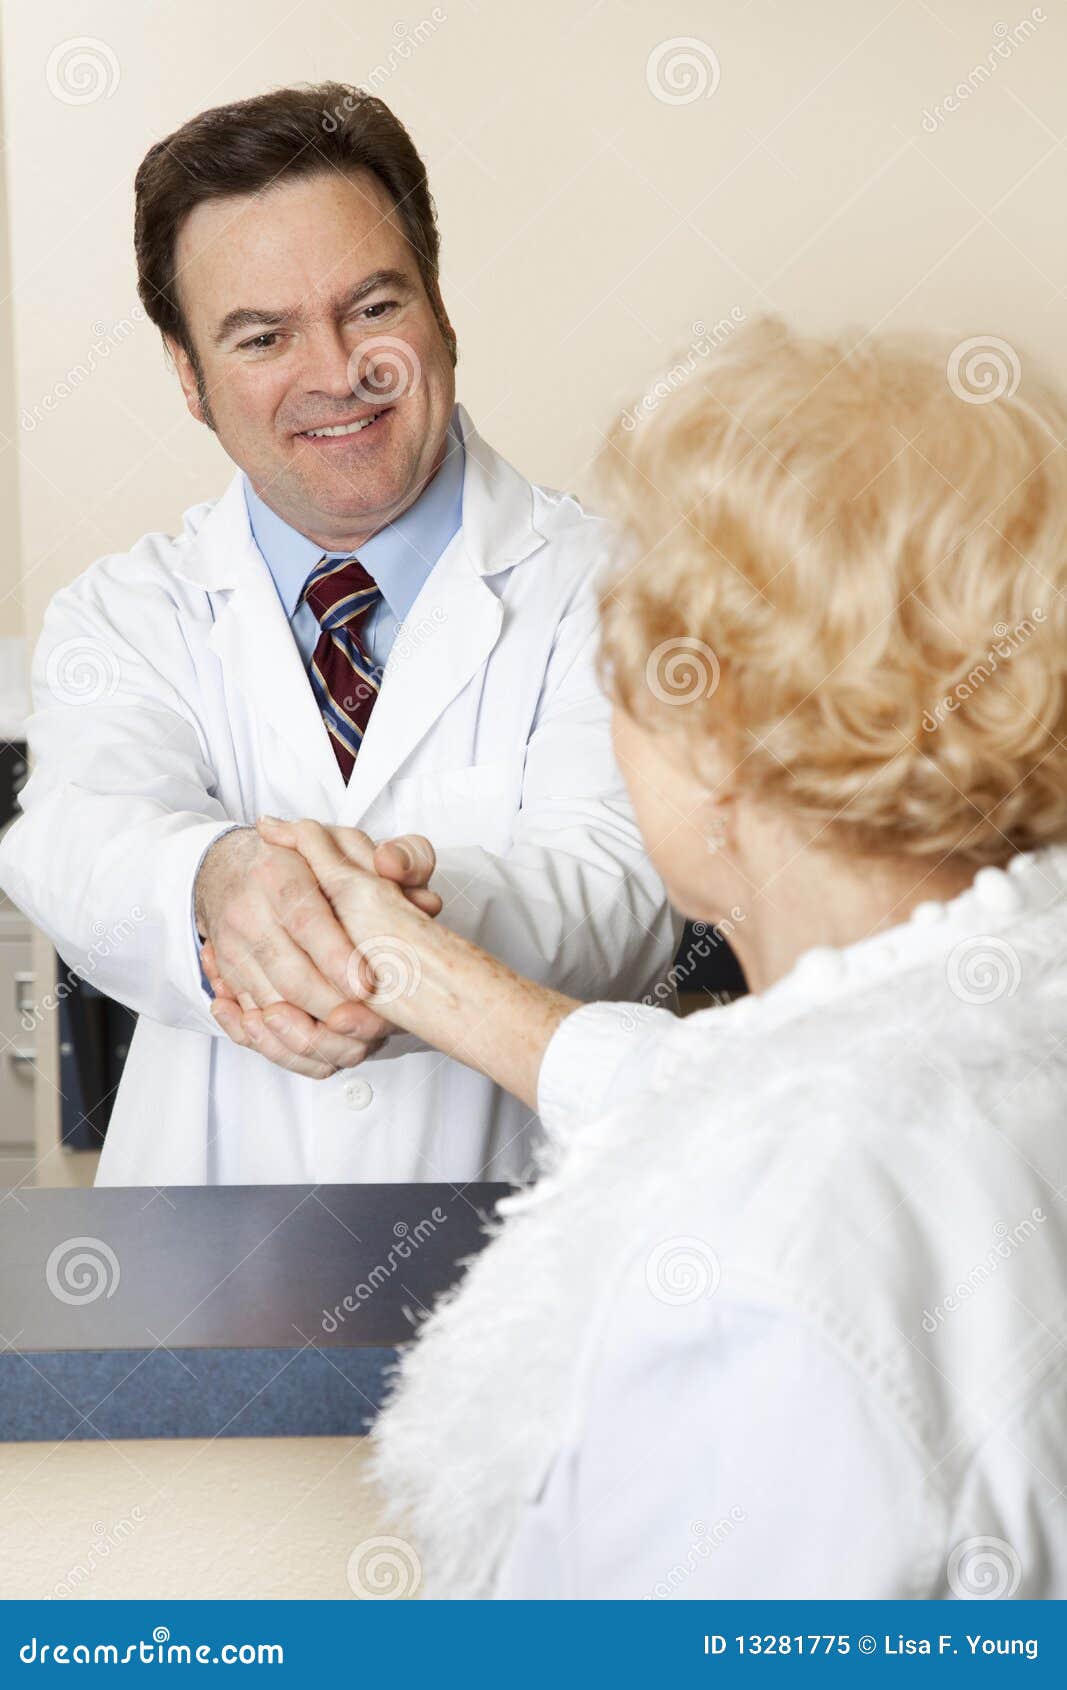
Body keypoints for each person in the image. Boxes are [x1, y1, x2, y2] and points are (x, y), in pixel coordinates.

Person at [249, 319, 1067, 1597]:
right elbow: (711, 1087)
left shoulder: (760, 1245)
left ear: (715, 738)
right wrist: (406, 963)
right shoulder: (994, 1012)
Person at [0, 83, 675, 1186]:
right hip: (196, 1269)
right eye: (261, 335)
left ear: (438, 309)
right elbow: (79, 835)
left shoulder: (617, 586)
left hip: (534, 1248)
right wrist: (219, 882)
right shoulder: (124, 612)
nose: (334, 373)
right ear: (188, 375)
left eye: (371, 307)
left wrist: (360, 924)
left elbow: (617, 887)